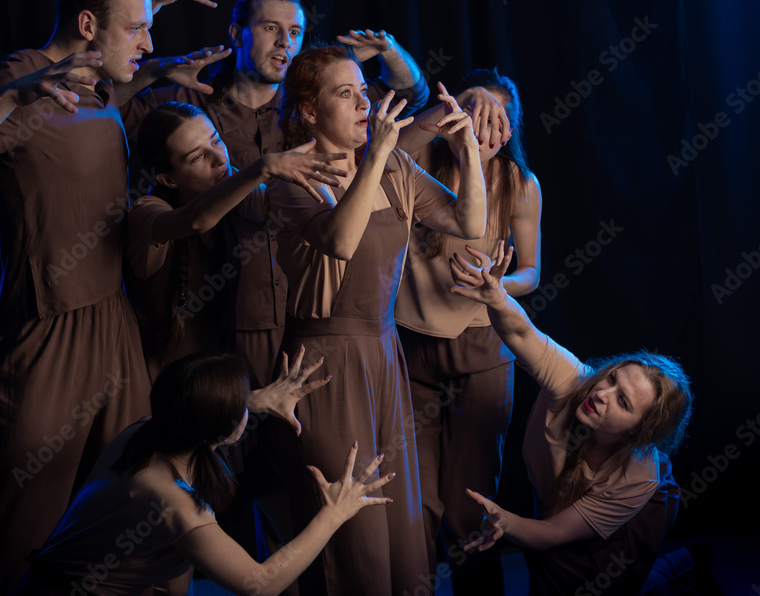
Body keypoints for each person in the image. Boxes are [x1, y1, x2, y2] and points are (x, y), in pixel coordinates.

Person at [0, 0, 219, 594]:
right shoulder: (21, 80)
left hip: (114, 321)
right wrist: (12, 97)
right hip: (46, 333)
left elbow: (102, 93)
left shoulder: (96, 82)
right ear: (87, 24)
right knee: (19, 530)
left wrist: (155, 59)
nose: (148, 42)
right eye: (137, 29)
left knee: (139, 504)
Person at [120, 0, 431, 384]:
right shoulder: (190, 104)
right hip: (210, 313)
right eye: (271, 28)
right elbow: (108, 104)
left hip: (295, 315)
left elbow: (411, 93)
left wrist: (388, 48)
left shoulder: (314, 105)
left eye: (296, 32)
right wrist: (157, 68)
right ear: (237, 34)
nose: (286, 42)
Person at [266, 44, 487, 595]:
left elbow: (469, 222)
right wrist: (375, 157)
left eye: (364, 92)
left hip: (384, 356)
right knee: (351, 528)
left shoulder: (395, 167)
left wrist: (467, 150)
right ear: (310, 111)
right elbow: (341, 241)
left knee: (397, 518)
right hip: (322, 366)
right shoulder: (292, 178)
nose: (364, 103)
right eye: (346, 94)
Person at [12, 350, 395, 596]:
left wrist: (256, 401)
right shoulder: (175, 502)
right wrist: (333, 513)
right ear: (226, 429)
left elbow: (191, 416)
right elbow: (260, 584)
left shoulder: (144, 430)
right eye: (242, 403)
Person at [449, 241, 693, 595]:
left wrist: (512, 523)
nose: (602, 394)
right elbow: (521, 332)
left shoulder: (638, 476)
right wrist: (497, 297)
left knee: (613, 582)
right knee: (552, 566)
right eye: (612, 378)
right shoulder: (575, 381)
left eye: (622, 401)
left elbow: (552, 533)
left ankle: (682, 563)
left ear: (636, 432)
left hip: (644, 507)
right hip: (565, 497)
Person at [393, 68, 541, 594]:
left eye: (498, 119)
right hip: (410, 346)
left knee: (470, 501)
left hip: (482, 351)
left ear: (510, 128)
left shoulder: (520, 184)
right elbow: (385, 148)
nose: (486, 129)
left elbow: (532, 272)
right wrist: (450, 109)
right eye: (476, 115)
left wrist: (496, 285)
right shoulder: (416, 163)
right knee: (415, 499)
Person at [124, 101, 347, 378]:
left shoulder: (227, 183)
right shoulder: (145, 213)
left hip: (222, 378)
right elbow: (197, 219)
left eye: (216, 140)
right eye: (197, 157)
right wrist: (264, 167)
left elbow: (277, 203)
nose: (219, 158)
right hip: (166, 384)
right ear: (168, 180)